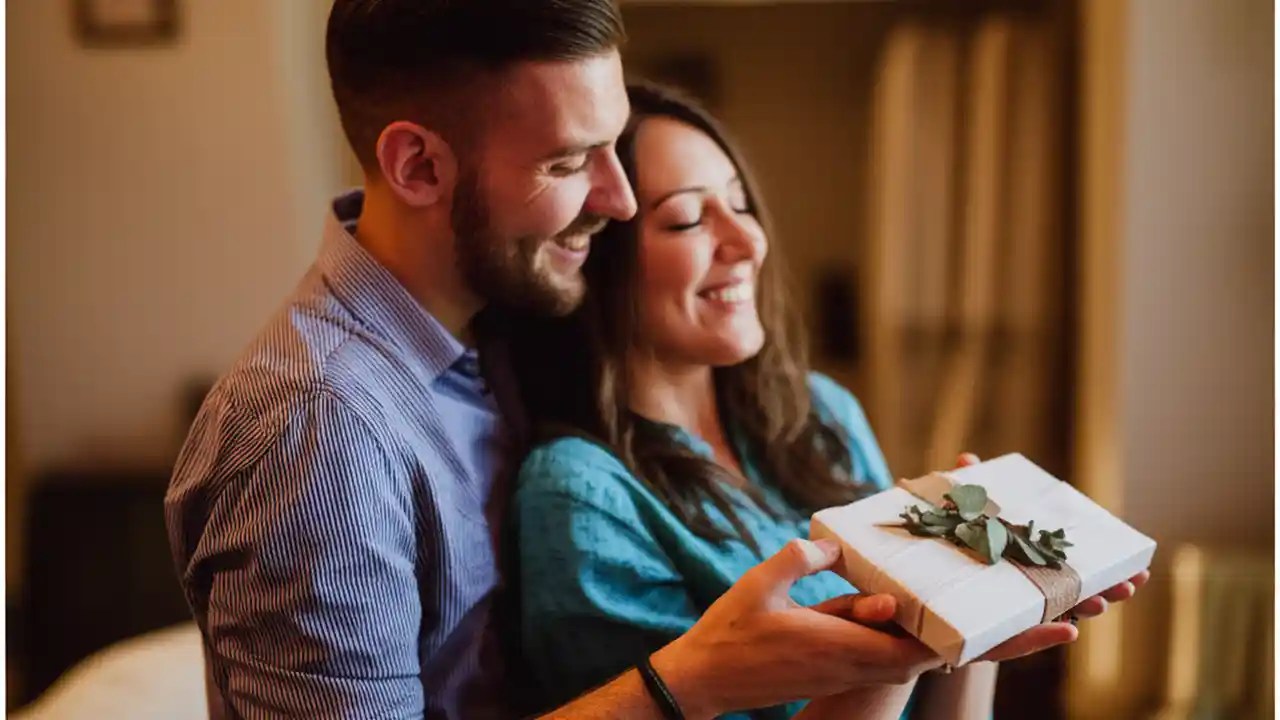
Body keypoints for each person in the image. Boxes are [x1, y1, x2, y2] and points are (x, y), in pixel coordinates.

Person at [164, 2, 1149, 718]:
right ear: (416, 166)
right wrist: (690, 678)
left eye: (610, 153)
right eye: (565, 164)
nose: (618, 202)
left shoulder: (487, 347)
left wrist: (959, 614)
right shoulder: (315, 430)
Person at [507, 82, 1147, 720]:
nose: (749, 242)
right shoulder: (578, 493)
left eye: (740, 204)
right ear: (592, 259)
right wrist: (903, 635)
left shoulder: (820, 413)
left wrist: (974, 626)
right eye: (688, 219)